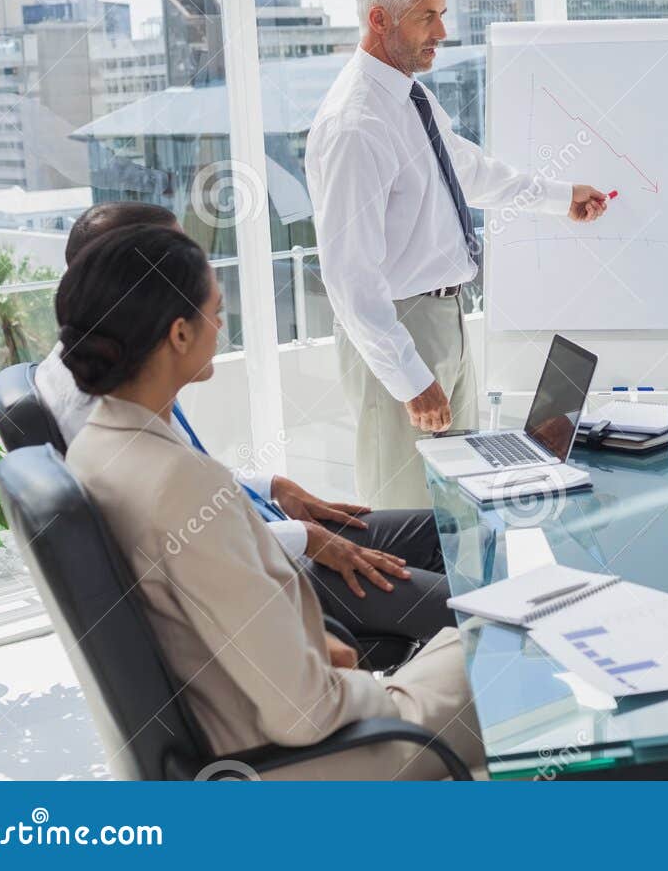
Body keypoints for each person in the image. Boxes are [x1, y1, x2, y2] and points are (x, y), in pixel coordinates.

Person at [59, 225, 482, 778]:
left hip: (236, 731)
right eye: (216, 310)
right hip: (311, 757)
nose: (222, 324)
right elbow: (307, 714)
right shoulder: (182, 484)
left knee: (478, 626)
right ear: (180, 334)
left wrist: (313, 650)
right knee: (511, 639)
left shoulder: (94, 449)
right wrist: (349, 676)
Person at [37, 201, 454, 648]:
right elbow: (193, 542)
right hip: (263, 570)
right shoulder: (103, 412)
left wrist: (274, 486)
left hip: (259, 530)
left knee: (449, 532)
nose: (217, 320)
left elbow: (188, 496)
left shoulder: (109, 374)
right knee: (469, 616)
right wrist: (306, 537)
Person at [309, 0, 611, 510]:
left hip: (447, 320)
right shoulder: (356, 124)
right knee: (408, 511)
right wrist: (409, 379)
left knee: (464, 502)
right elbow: (349, 277)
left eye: (442, 15)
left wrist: (559, 197)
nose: (442, 32)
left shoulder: (409, 98)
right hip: (401, 330)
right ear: (379, 19)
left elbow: (468, 171)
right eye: (428, 17)